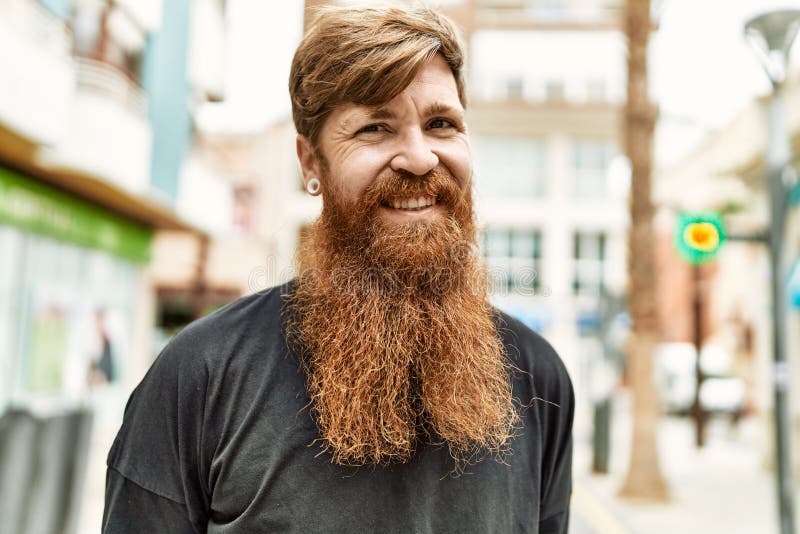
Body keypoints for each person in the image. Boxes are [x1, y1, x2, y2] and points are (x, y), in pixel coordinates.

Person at [102, 5, 574, 533]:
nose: (419, 157)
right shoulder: (201, 376)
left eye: (441, 124)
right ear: (311, 163)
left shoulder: (540, 380)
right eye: (375, 128)